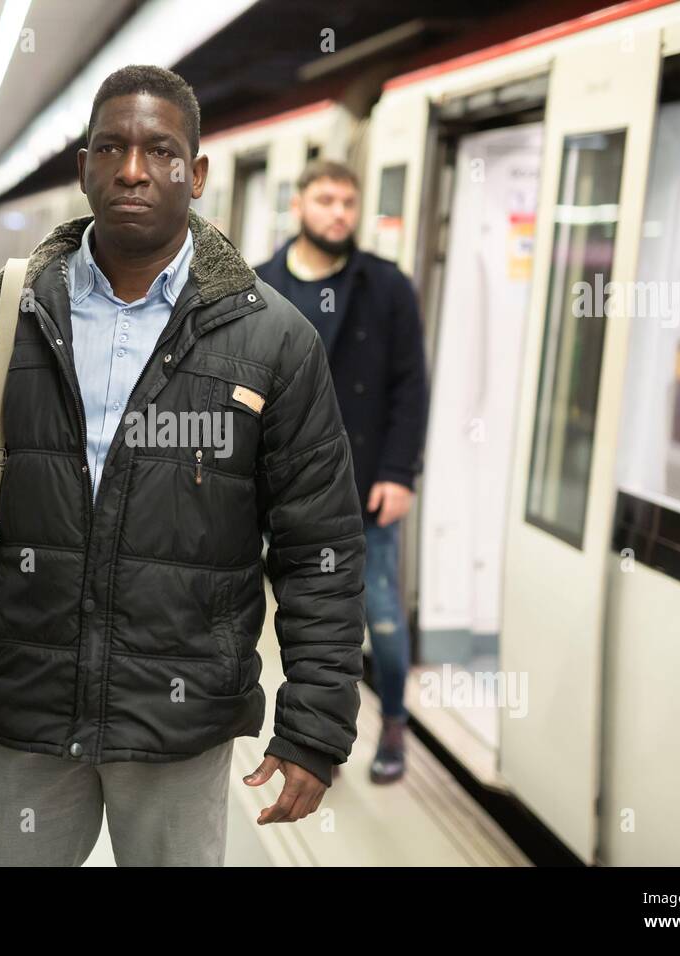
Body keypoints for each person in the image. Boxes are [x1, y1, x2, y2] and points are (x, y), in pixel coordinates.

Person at [0, 65, 365, 866]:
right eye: (111, 147)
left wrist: (316, 720)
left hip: (180, 719)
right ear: (84, 167)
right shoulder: (5, 319)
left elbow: (320, 547)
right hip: (23, 706)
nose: (134, 169)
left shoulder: (272, 341)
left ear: (196, 173)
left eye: (161, 151)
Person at [254, 160, 429, 784]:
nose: (339, 213)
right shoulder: (261, 284)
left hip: (364, 488)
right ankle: (310, 730)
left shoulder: (386, 286)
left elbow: (411, 385)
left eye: (349, 203)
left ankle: (395, 725)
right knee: (295, 611)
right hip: (281, 488)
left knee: (379, 610)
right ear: (299, 205)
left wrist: (400, 471)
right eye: (326, 199)